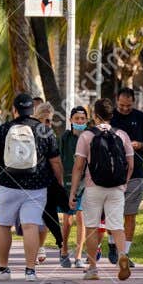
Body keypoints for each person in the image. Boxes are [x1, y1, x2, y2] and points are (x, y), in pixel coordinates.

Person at [0, 92, 62, 281]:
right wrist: (59, 184)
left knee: (3, 226)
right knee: (31, 227)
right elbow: (56, 162)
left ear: (14, 110)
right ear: (33, 110)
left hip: (7, 185)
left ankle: (3, 270)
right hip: (36, 187)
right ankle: (30, 271)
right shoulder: (44, 130)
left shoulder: (4, 129)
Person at [71, 98, 135, 281]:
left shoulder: (87, 136)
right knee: (116, 227)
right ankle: (122, 255)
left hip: (93, 188)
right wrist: (124, 184)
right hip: (116, 188)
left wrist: (73, 191)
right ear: (111, 115)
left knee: (91, 227)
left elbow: (78, 167)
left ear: (94, 115)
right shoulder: (122, 135)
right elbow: (130, 164)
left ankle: (92, 268)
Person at [110, 87, 143, 265]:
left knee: (130, 214)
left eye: (128, 106)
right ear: (116, 101)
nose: (125, 109)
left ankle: (125, 254)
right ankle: (112, 243)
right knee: (112, 213)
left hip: (136, 174)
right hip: (112, 175)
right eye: (121, 105)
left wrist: (139, 145)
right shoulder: (110, 117)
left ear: (133, 102)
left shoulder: (141, 118)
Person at [51, 105, 90, 268]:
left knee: (81, 218)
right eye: (77, 119)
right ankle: (64, 250)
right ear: (71, 121)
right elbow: (58, 160)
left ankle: (79, 255)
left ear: (87, 120)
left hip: (85, 183)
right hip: (67, 183)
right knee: (67, 220)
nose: (80, 122)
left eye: (82, 119)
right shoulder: (65, 138)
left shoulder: (89, 137)